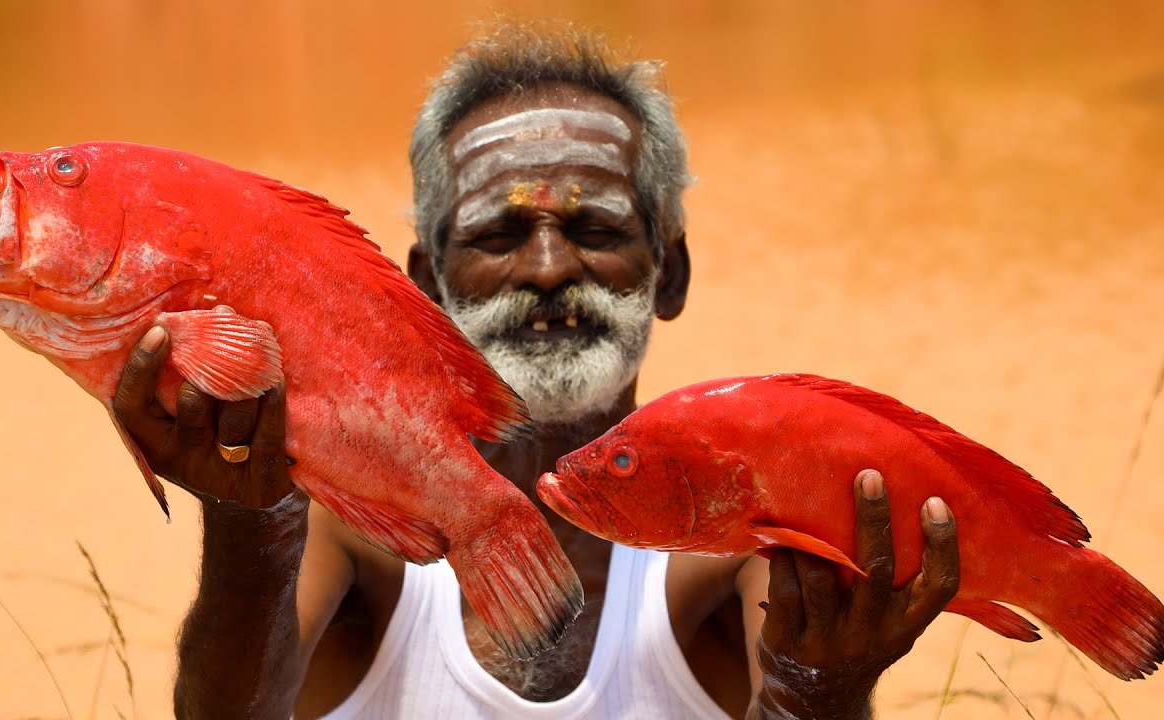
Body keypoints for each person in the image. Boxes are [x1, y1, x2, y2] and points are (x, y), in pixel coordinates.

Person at [113, 22, 961, 720]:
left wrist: (825, 690)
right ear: (424, 289)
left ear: (668, 275)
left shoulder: (731, 538)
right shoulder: (355, 524)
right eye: (497, 236)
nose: (550, 268)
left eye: (594, 229)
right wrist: (244, 527)